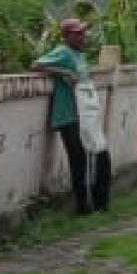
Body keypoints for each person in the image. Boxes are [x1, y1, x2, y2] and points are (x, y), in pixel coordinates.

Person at [32, 18, 106, 215]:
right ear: (66, 36)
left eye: (83, 33)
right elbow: (36, 65)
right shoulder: (63, 52)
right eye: (78, 34)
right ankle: (81, 206)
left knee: (89, 157)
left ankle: (91, 202)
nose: (83, 37)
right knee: (78, 160)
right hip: (68, 116)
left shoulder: (80, 55)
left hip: (84, 114)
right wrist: (63, 71)